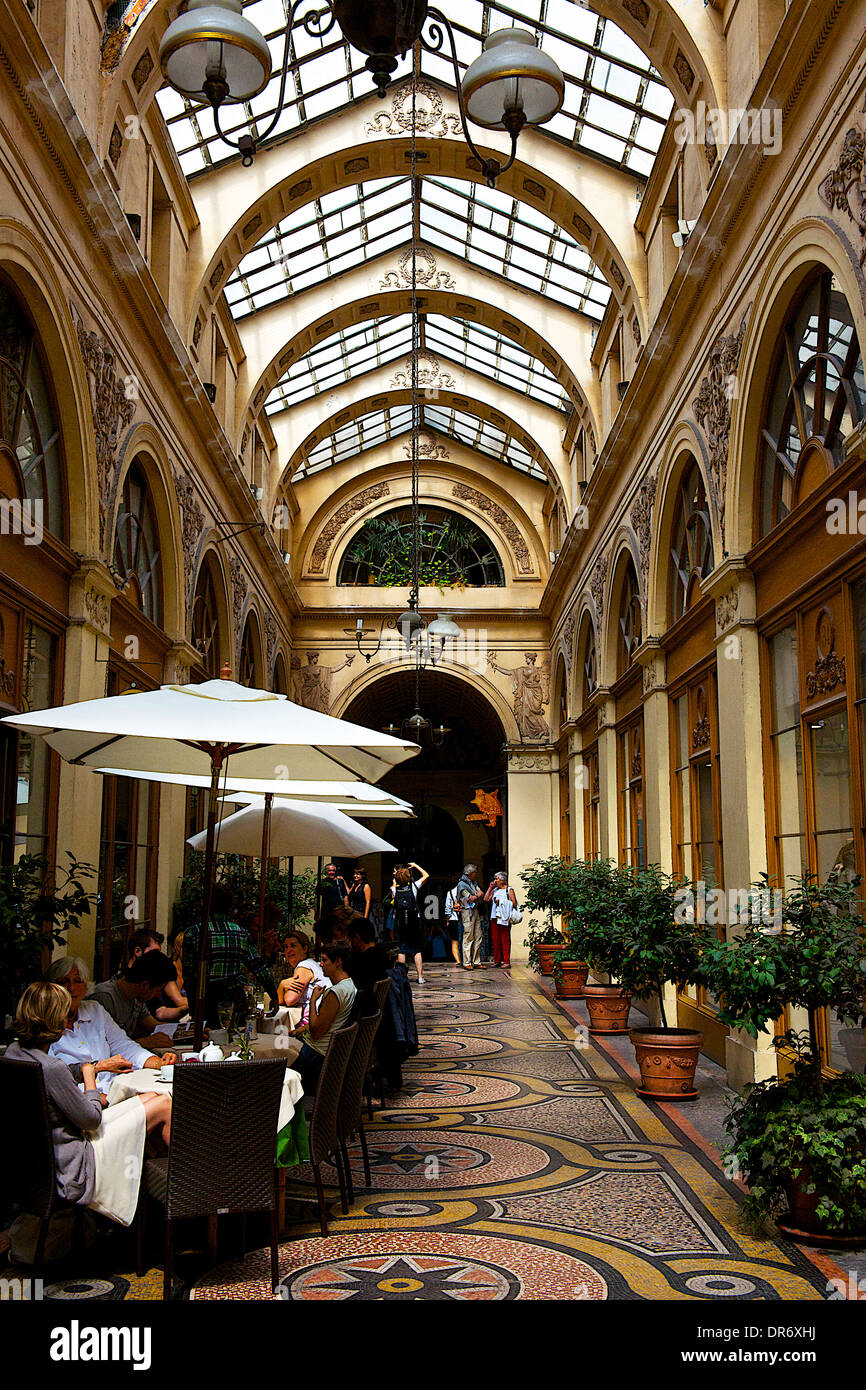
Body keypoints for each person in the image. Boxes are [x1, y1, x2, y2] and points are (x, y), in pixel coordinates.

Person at [5, 983, 171, 1223]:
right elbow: (91, 1119)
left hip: (45, 1158)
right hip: (75, 1164)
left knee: (151, 1099)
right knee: (164, 1104)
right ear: (56, 1020)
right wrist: (90, 1078)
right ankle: (180, 1199)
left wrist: (87, 1071)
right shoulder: (53, 1068)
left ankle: (154, 1203)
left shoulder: (15, 1053)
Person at [46, 957, 174, 1096]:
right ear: (51, 988)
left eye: (77, 981)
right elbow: (54, 1078)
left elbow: (123, 1045)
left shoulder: (94, 1010)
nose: (71, 988)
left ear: (85, 986)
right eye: (63, 982)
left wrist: (158, 1063)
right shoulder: (45, 1023)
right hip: (81, 1102)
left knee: (164, 1097)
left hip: (111, 1091)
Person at [182, 884, 280, 1026]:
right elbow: (259, 968)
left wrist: (193, 1006)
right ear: (230, 907)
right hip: (235, 1000)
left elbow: (189, 975)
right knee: (236, 1041)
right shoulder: (241, 933)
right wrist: (273, 995)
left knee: (207, 1043)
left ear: (205, 904)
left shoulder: (194, 933)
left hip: (205, 1001)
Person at [286, 941, 357, 1093]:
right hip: (325, 1051)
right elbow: (332, 1021)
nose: (320, 964)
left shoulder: (335, 993)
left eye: (325, 960)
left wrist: (312, 1002)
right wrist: (303, 1028)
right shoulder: (350, 986)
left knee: (278, 1057)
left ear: (338, 962)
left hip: (316, 1055)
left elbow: (317, 1032)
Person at [89, 952, 181, 1048]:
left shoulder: (137, 997)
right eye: (158, 990)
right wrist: (145, 1042)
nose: (158, 995)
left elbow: (152, 1026)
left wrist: (183, 1031)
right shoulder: (104, 998)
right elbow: (101, 1047)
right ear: (145, 985)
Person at [124, 927, 188, 1021]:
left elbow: (160, 1011)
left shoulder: (151, 977)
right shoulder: (127, 982)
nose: (158, 957)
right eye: (155, 952)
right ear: (137, 951)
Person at [276, 929, 325, 1021]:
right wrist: (282, 984)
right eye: (286, 947)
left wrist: (282, 985)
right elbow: (279, 1001)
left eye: (293, 946)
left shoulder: (304, 966)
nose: (288, 950)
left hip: (315, 1022)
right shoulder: (310, 964)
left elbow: (289, 1000)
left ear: (305, 949)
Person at [393, 862, 429, 985]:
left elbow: (395, 883)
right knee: (416, 949)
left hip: (400, 922)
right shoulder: (413, 886)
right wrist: (415, 866)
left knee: (401, 950)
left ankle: (402, 977)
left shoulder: (394, 889)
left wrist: (397, 876)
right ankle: (420, 977)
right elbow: (426, 875)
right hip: (414, 921)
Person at [348, 916, 387, 1006]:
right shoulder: (382, 954)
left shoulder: (362, 961)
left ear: (357, 938)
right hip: (377, 1008)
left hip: (365, 1007)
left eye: (350, 939)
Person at [484, 871, 519, 968]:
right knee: (495, 940)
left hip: (504, 917)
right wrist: (490, 887)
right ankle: (497, 960)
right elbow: (486, 899)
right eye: (495, 879)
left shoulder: (509, 890)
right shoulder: (495, 890)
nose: (495, 881)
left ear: (503, 880)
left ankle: (506, 961)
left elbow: (514, 903)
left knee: (505, 939)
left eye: (497, 879)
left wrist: (502, 902)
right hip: (495, 917)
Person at [456, 863, 484, 970]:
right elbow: (469, 897)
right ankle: (467, 961)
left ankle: (476, 961)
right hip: (467, 912)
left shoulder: (473, 882)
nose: (476, 874)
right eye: (475, 872)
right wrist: (477, 895)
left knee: (478, 935)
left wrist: (476, 895)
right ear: (470, 873)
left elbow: (480, 893)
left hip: (474, 910)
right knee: (468, 936)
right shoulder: (462, 884)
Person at [444, 875, 462, 965]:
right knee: (465, 941)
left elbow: (447, 909)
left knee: (454, 942)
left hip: (453, 919)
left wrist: (447, 920)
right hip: (463, 919)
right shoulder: (466, 891)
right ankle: (465, 960)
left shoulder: (450, 892)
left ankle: (458, 960)